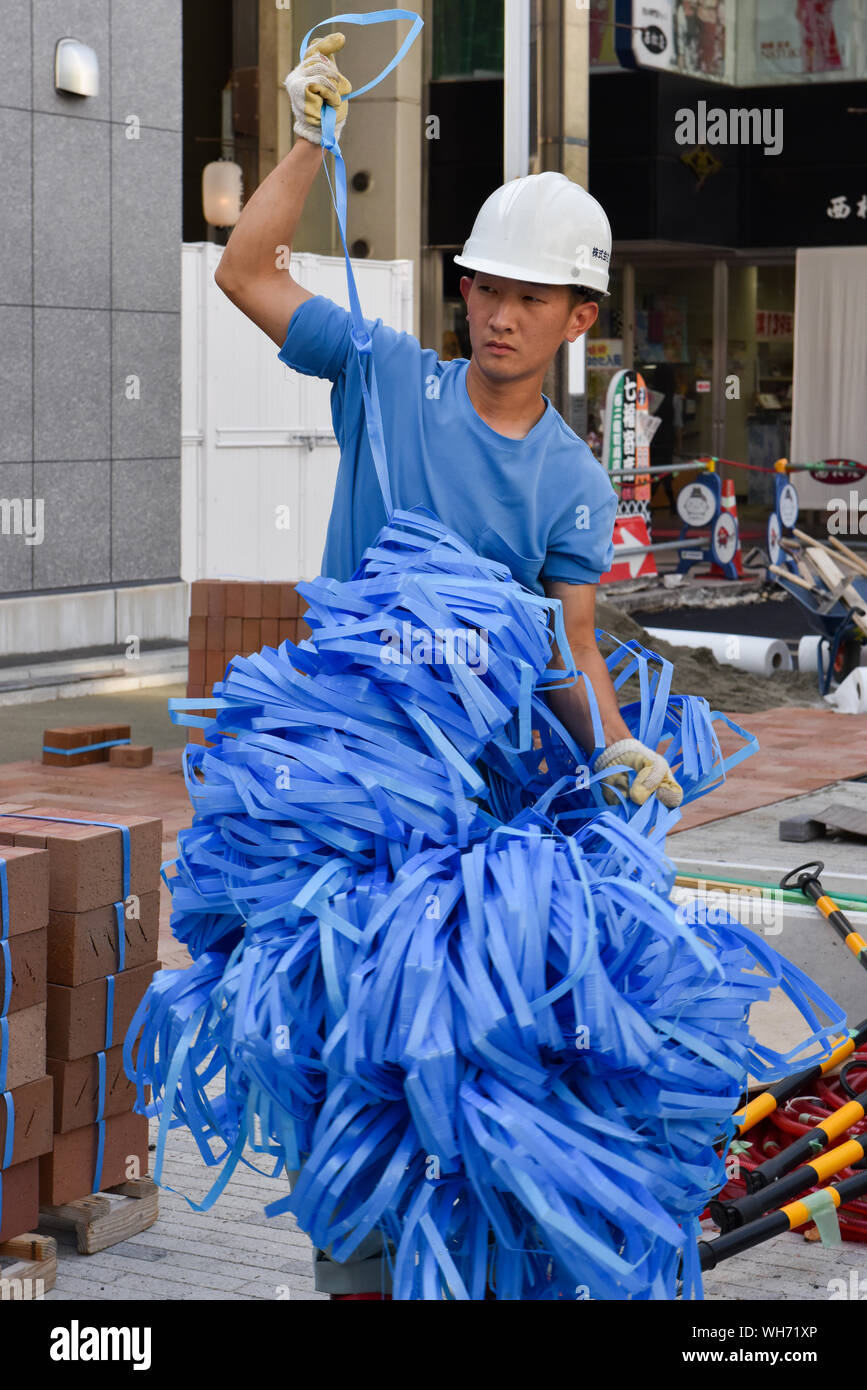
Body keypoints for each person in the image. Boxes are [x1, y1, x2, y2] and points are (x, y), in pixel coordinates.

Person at [211, 30, 684, 1298]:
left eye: (531, 296)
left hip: (474, 815)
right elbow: (245, 270)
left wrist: (620, 747)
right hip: (335, 800)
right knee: (340, 1045)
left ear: (579, 317)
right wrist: (314, 135)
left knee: (469, 1051)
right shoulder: (385, 380)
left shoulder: (574, 486)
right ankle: (351, 1267)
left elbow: (567, 653)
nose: (500, 312)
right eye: (483, 286)